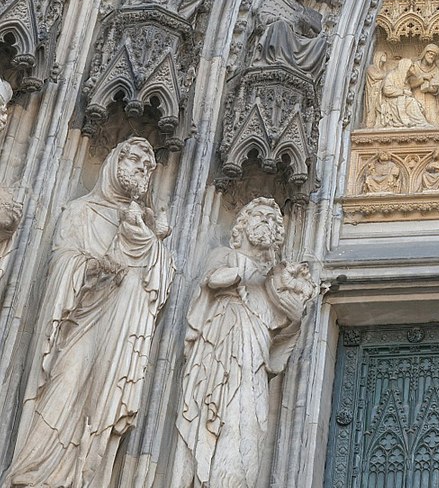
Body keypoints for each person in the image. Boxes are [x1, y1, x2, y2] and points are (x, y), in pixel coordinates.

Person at [5, 139, 173, 488]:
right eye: (137, 161)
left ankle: (84, 476)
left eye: (149, 166)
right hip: (79, 321)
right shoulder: (81, 210)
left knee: (102, 402)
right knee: (64, 384)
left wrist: (148, 241)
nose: (143, 169)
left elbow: (156, 285)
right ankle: (34, 475)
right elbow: (61, 263)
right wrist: (93, 268)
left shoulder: (144, 225)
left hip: (119, 333)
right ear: (115, 162)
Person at [173, 199, 315, 488]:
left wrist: (294, 315)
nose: (266, 222)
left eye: (272, 220)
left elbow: (281, 330)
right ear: (242, 225)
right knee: (216, 417)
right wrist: (250, 275)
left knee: (252, 425)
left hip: (255, 354)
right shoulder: (226, 256)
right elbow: (212, 281)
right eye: (259, 216)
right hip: (220, 349)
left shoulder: (276, 279)